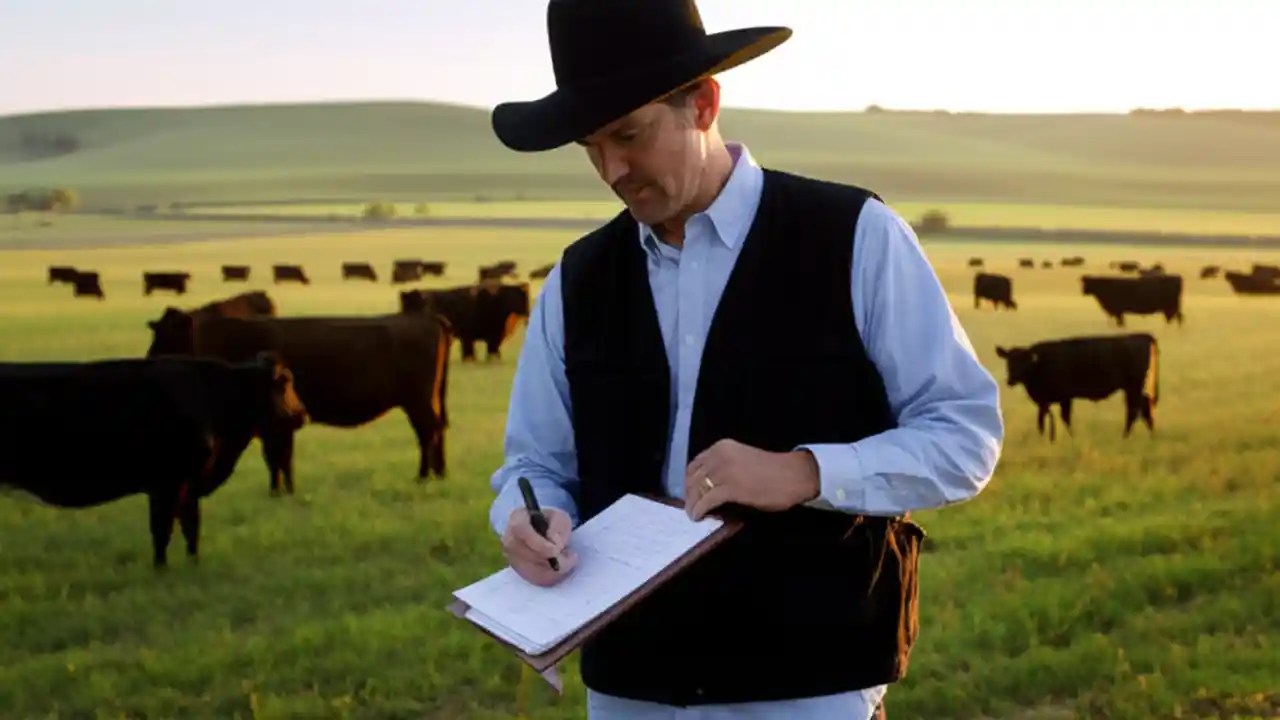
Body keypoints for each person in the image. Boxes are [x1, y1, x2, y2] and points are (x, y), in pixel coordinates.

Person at [485, 1, 1005, 718]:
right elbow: (534, 466)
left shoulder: (856, 237)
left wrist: (805, 470)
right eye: (590, 146)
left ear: (703, 102)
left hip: (810, 682)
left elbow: (965, 435)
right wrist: (525, 517)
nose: (612, 169)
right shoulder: (577, 280)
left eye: (629, 135)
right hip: (629, 685)